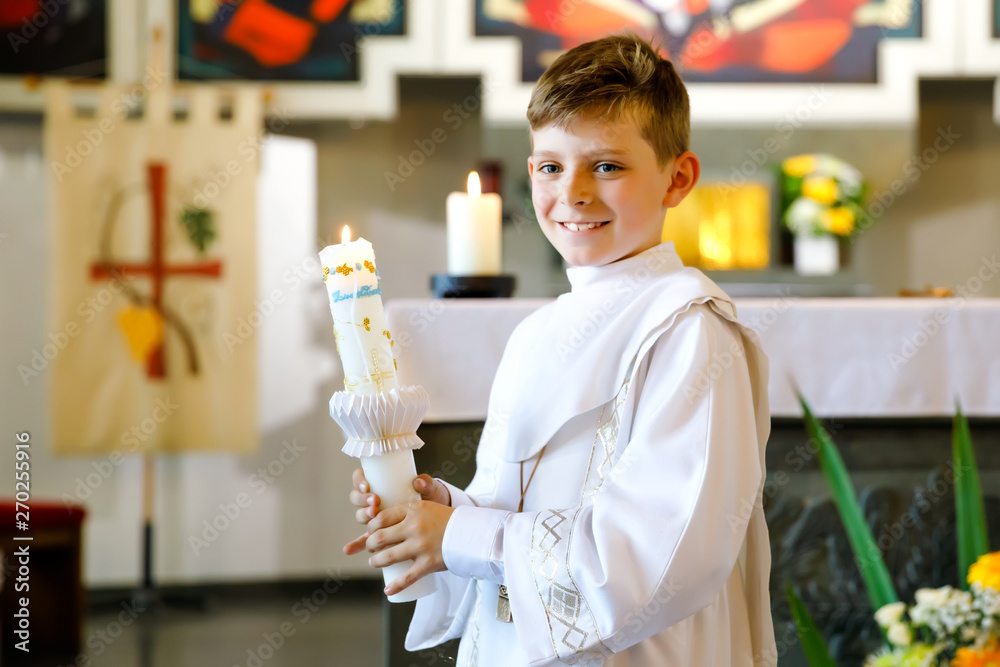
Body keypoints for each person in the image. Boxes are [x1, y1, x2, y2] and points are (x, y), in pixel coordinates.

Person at [343, 33, 776, 666]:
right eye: (551, 166)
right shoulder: (539, 331)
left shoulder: (688, 330)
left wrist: (463, 536)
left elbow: (665, 553)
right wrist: (441, 511)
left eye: (607, 166)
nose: (572, 193)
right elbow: (520, 505)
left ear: (678, 178)